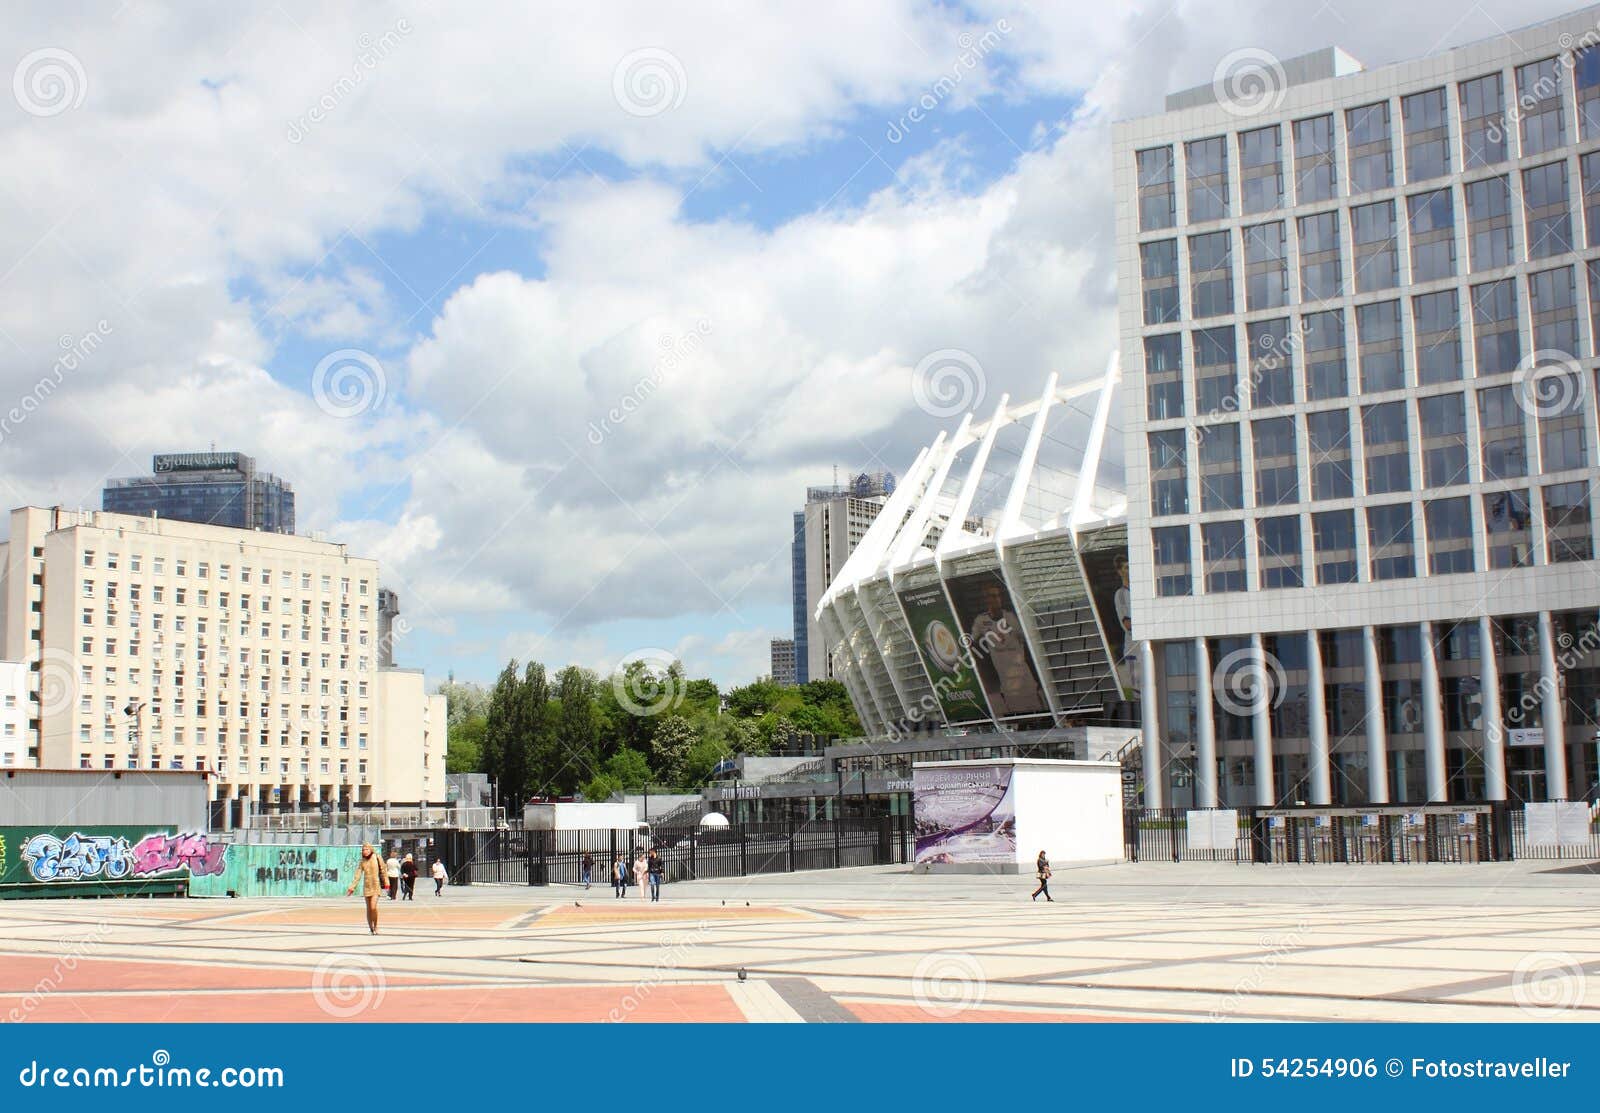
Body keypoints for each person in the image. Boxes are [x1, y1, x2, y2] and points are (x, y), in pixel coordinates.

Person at [346, 843, 388, 933]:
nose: (364, 851)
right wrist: (352, 887)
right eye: (363, 850)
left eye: (366, 849)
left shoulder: (377, 857)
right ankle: (371, 928)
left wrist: (386, 882)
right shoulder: (362, 861)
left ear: (371, 849)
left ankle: (376, 926)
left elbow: (383, 870)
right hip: (367, 886)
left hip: (376, 885)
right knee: (368, 908)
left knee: (373, 907)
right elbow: (358, 875)